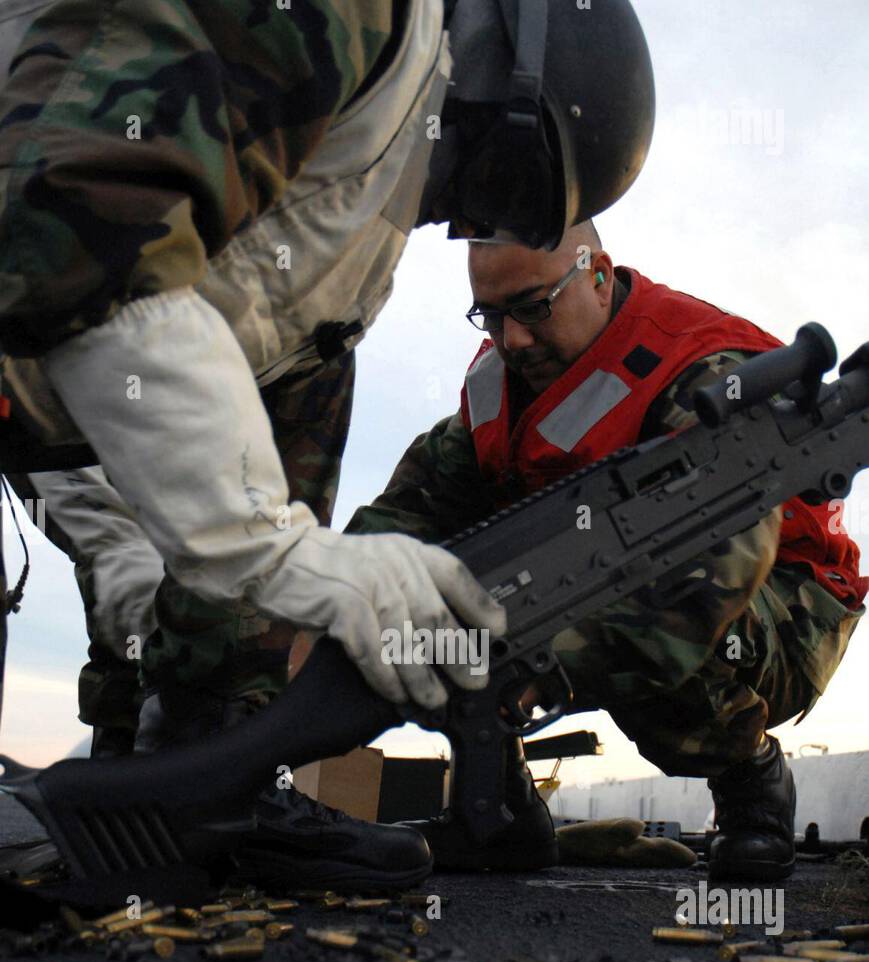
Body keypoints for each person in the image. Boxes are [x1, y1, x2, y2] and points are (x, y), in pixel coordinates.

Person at [0, 0, 655, 889]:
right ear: (510, 70)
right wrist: (275, 554)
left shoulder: (349, 206)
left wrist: (212, 744)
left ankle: (200, 789)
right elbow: (73, 211)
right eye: (503, 185)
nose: (464, 219)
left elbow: (282, 372)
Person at [346, 221, 867, 880]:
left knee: (608, 616)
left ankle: (750, 781)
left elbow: (712, 578)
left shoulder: (699, 372)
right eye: (492, 314)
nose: (512, 338)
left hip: (781, 604)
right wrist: (343, 602)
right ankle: (498, 823)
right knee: (443, 596)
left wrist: (535, 664)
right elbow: (414, 507)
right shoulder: (501, 378)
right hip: (611, 571)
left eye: (533, 308)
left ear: (595, 273)